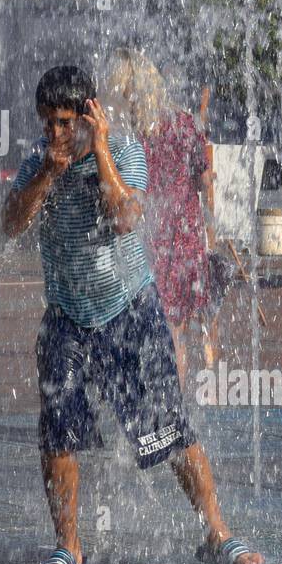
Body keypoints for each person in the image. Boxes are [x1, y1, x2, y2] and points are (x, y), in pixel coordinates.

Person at [2, 63, 263, 564]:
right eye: (46, 123)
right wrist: (50, 173)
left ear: (88, 115)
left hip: (129, 314)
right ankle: (68, 548)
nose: (54, 134)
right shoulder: (38, 162)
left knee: (169, 428)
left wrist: (97, 150)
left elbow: (126, 217)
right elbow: (9, 226)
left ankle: (217, 534)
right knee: (59, 434)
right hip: (67, 318)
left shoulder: (122, 152)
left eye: (64, 123)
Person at [103, 49, 217, 389]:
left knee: (141, 328)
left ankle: (155, 412)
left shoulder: (125, 133)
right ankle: (173, 411)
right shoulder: (184, 124)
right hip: (182, 238)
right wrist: (210, 227)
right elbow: (204, 179)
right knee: (173, 330)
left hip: (146, 238)